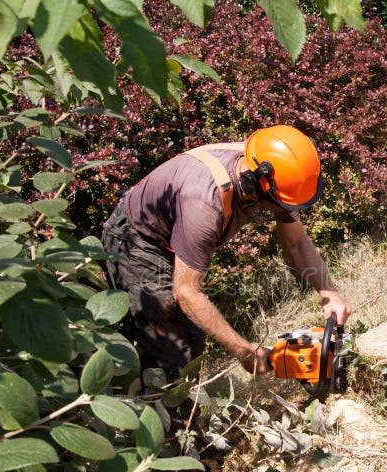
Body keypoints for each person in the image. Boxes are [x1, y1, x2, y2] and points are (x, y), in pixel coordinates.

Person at [101, 125, 350, 381]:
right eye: (278, 205)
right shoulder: (204, 203)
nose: (282, 212)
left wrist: (329, 293)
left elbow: (296, 242)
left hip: (170, 233)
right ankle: (158, 403)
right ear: (253, 185)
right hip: (136, 241)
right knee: (171, 348)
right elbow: (187, 293)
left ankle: (182, 398)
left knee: (193, 338)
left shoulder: (274, 171)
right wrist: (245, 353)